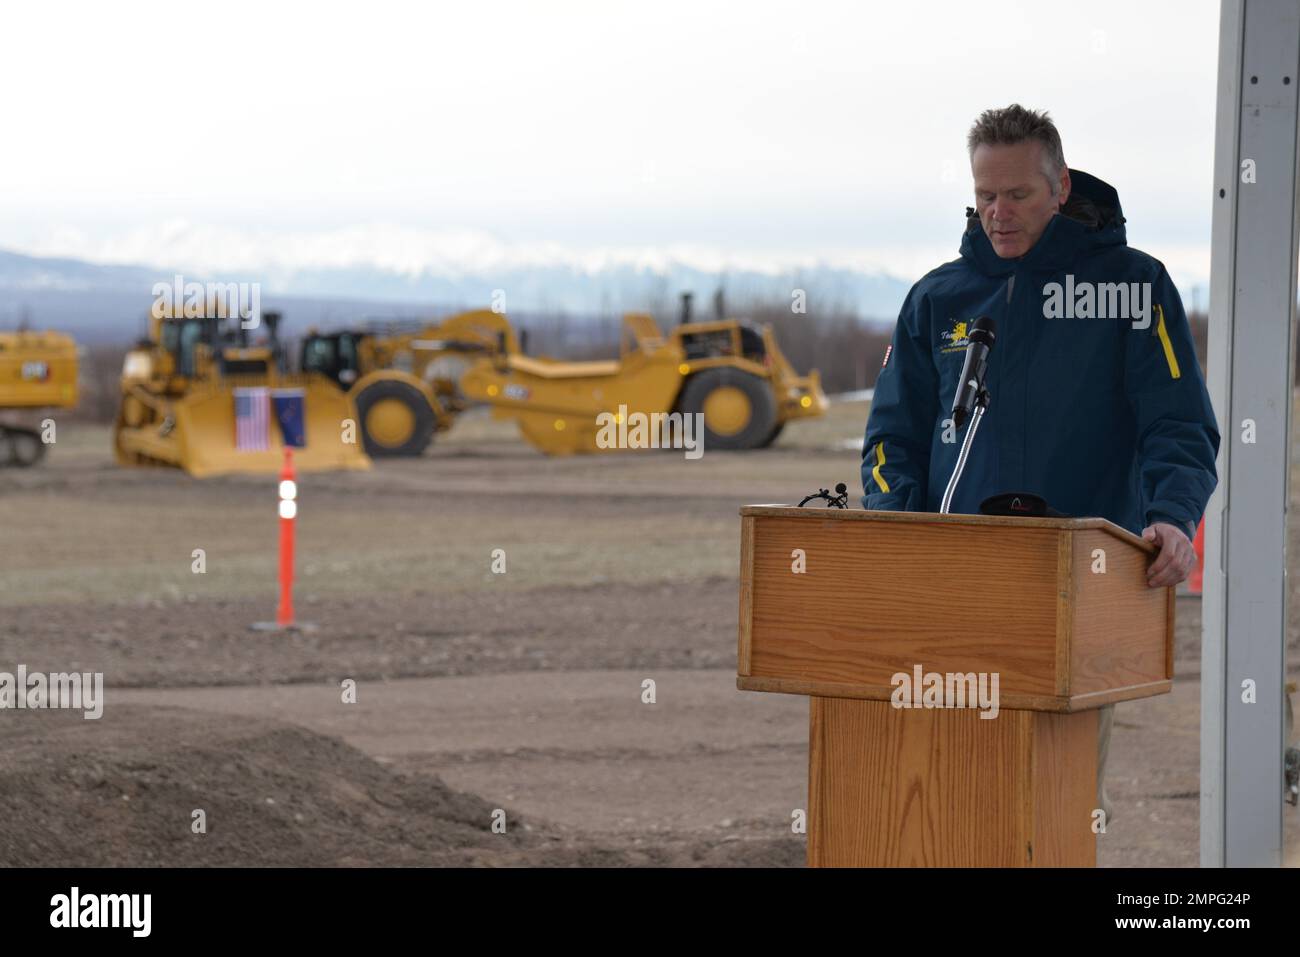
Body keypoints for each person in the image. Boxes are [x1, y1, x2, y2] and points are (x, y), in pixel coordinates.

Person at [861, 104, 1220, 824]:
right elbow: (888, 439)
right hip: (954, 589)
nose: (998, 213)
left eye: (1018, 195)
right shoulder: (936, 299)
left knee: (1057, 806)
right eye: (984, 195)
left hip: (1081, 586)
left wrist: (1172, 515)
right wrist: (898, 530)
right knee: (949, 797)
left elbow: (1177, 425)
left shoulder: (1133, 288)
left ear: (1059, 189)